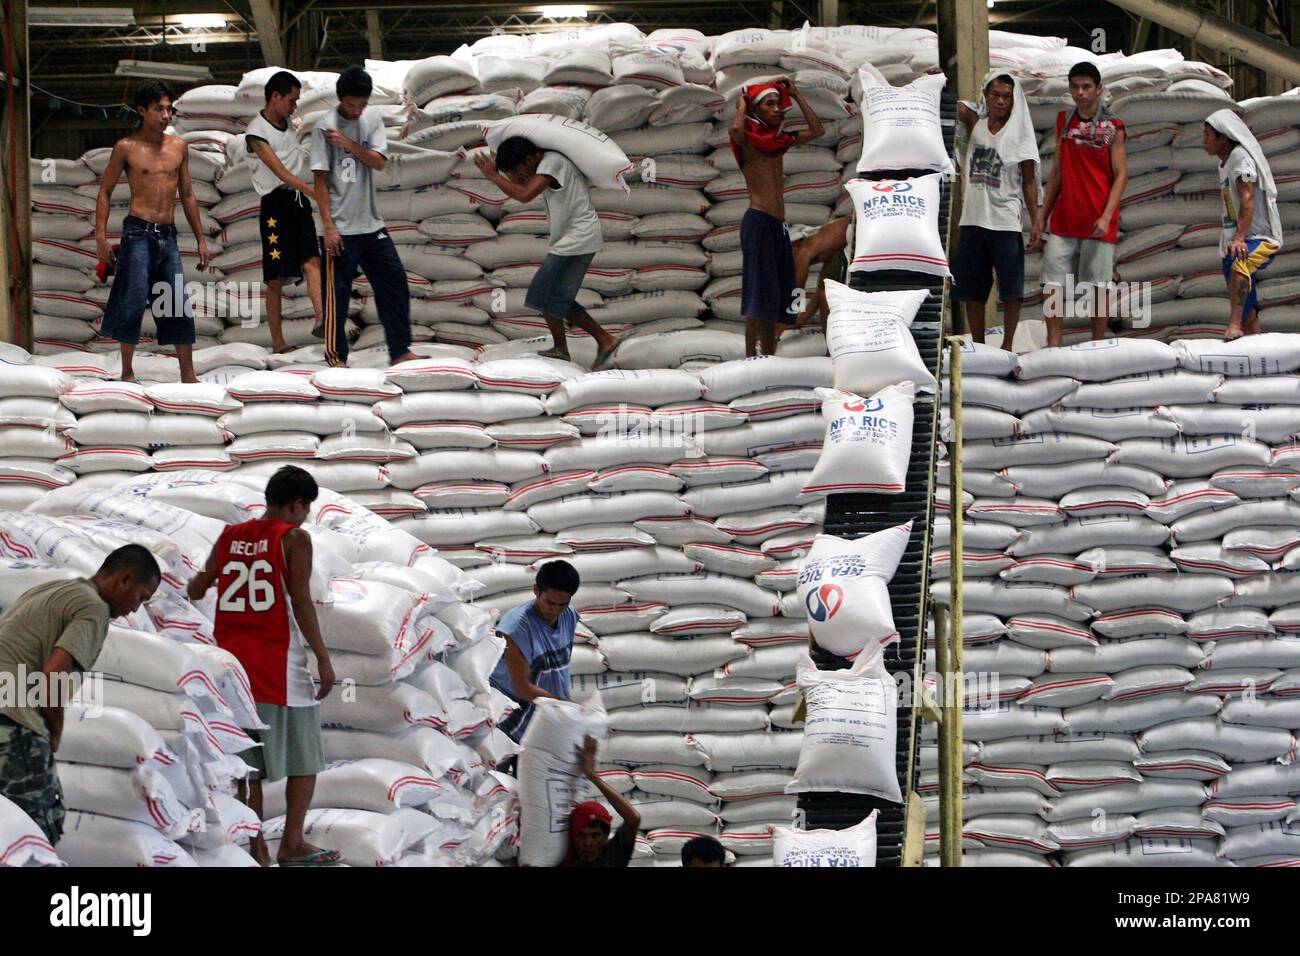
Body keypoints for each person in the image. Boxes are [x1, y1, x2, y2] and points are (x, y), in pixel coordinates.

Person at [186, 465, 340, 866]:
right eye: (306, 509)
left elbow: (196, 587)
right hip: (278, 663)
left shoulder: (229, 536)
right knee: (306, 757)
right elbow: (302, 602)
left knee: (247, 764)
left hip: (231, 666)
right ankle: (291, 842)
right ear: (296, 505)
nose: (305, 517)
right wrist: (323, 657)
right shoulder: (294, 538)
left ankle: (257, 850)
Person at [0, 546, 161, 844]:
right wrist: (55, 732)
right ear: (124, 579)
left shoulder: (55, 589)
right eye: (141, 598)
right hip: (13, 724)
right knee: (35, 836)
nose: (136, 610)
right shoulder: (93, 607)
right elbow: (52, 676)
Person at [95, 81, 210, 383]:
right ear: (142, 111)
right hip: (137, 233)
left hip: (168, 234)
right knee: (132, 299)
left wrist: (200, 239)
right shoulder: (126, 148)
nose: (166, 115)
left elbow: (187, 194)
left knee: (174, 300)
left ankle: (188, 373)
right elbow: (105, 191)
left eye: (169, 108)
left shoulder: (179, 147)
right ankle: (127, 371)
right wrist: (100, 237)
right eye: (159, 108)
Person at [474, 137, 619, 369]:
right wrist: (502, 167)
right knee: (555, 297)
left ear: (531, 158)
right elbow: (521, 182)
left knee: (542, 294)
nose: (519, 174)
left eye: (519, 167)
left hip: (578, 238)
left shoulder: (552, 163)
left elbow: (524, 194)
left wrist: (493, 175)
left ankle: (587, 343)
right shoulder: (544, 164)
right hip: (574, 238)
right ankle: (591, 342)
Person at [311, 65, 420, 369]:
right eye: (350, 105)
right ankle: (336, 357)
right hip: (340, 228)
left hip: (372, 225)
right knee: (338, 295)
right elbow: (319, 182)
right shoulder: (323, 127)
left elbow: (379, 162)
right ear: (339, 99)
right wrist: (328, 228)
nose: (356, 111)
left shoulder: (372, 119)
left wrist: (348, 143)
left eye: (361, 104)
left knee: (394, 281)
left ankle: (399, 349)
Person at [730, 77, 826, 357]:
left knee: (773, 297)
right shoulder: (748, 138)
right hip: (758, 221)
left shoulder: (779, 141)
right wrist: (741, 105)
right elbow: (736, 127)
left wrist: (795, 95)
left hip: (777, 225)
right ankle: (751, 357)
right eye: (769, 104)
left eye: (777, 104)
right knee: (756, 298)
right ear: (755, 109)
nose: (776, 109)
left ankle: (769, 357)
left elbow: (818, 130)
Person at [1036, 62, 1127, 347]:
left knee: (1098, 287)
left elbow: (1121, 174)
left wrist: (1106, 216)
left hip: (1099, 219)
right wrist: (1042, 217)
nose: (1081, 93)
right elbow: (1057, 174)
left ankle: (1098, 345)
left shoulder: (1114, 125)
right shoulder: (1064, 121)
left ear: (1099, 89)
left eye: (1087, 87)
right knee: (1052, 283)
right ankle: (1054, 344)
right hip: (1065, 219)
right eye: (1075, 87)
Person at [952, 72, 1041, 350]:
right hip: (973, 220)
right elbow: (956, 104)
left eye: (1006, 96)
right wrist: (941, 77)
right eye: (995, 94)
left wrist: (1036, 222)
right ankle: (978, 345)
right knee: (971, 291)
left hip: (1005, 222)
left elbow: (1028, 181)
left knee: (1011, 291)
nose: (1000, 101)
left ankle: (1007, 346)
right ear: (986, 95)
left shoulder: (1020, 135)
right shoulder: (975, 122)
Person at [245, 70, 324, 353]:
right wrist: (312, 189)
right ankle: (278, 343)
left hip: (298, 201)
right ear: (275, 97)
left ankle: (321, 318)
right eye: (291, 100)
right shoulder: (256, 132)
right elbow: (277, 170)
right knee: (276, 277)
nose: (294, 106)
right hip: (275, 206)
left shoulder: (288, 122)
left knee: (313, 260)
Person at [1203, 110, 1284, 340]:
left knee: (1239, 261)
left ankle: (1234, 323)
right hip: (1243, 237)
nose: (1204, 141)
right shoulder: (1226, 163)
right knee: (1248, 307)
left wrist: (1238, 238)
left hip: (1261, 237)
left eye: (1208, 135)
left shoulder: (1240, 158)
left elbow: (1247, 199)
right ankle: (1257, 347)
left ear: (1223, 138)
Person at [488, 560, 580, 742]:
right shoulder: (515, 628)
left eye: (563, 604)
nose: (555, 610)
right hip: (509, 721)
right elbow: (523, 688)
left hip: (545, 717)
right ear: (536, 590)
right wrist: (566, 706)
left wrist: (564, 707)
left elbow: (560, 670)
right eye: (550, 603)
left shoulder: (569, 616)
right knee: (501, 770)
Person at [561, 736, 640, 867]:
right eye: (581, 835)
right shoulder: (565, 856)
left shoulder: (613, 855)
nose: (588, 843)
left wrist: (592, 775)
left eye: (595, 835)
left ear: (606, 836)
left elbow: (634, 819)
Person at [790, 216, 849, 328]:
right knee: (824, 292)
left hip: (855, 238)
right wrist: (797, 322)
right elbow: (819, 294)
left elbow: (797, 292)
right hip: (849, 239)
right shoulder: (828, 251)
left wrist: (778, 331)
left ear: (795, 244)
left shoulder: (805, 251)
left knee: (826, 319)